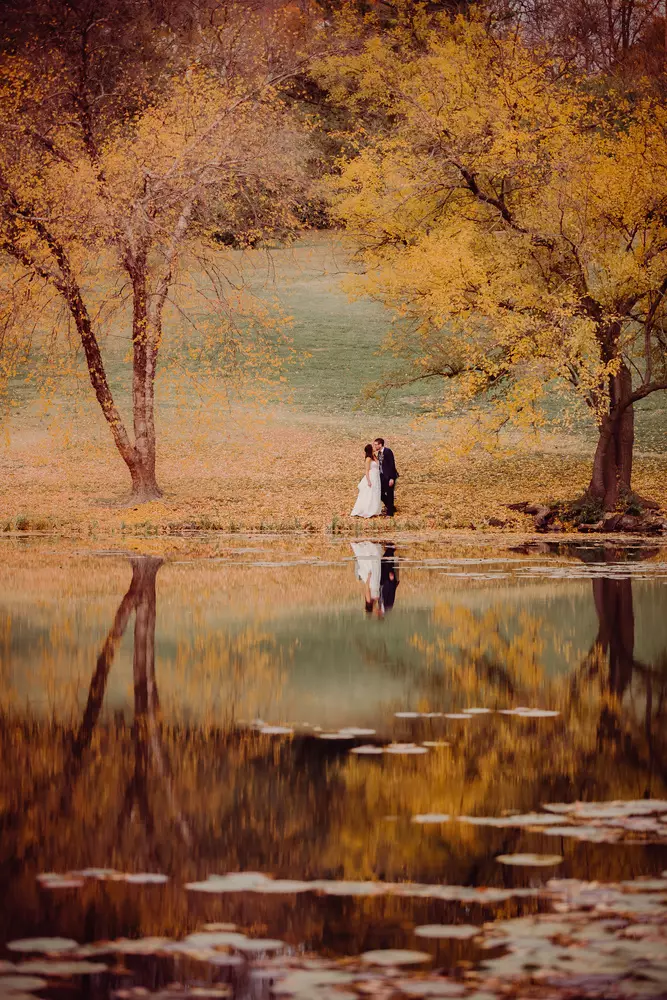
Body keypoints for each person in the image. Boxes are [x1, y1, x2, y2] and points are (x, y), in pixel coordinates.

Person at [351, 540, 384, 615]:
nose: (374, 610)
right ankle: (374, 550)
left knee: (370, 564)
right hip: (376, 582)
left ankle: (367, 549)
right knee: (376, 566)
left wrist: (368, 577)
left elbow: (367, 588)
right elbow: (377, 607)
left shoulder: (369, 600)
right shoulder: (374, 602)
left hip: (372, 582)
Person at [350, 443, 382, 518]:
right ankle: (367, 510)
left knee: (376, 492)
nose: (374, 447)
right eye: (373, 447)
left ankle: (375, 510)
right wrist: (368, 481)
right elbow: (367, 471)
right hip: (371, 476)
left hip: (377, 476)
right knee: (370, 493)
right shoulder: (368, 459)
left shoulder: (374, 456)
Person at [373, 437, 399, 516]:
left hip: (389, 477)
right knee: (380, 493)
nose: (375, 446)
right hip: (382, 476)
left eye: (376, 445)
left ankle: (390, 513)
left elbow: (392, 465)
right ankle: (390, 507)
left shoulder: (388, 451)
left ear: (380, 445)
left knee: (390, 493)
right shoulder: (379, 453)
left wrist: (392, 478)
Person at [380, 543, 399, 613]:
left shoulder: (381, 606)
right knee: (388, 565)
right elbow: (392, 594)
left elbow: (380, 594)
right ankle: (390, 549)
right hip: (388, 582)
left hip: (383, 581)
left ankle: (390, 550)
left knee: (384, 563)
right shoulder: (388, 607)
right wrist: (392, 582)